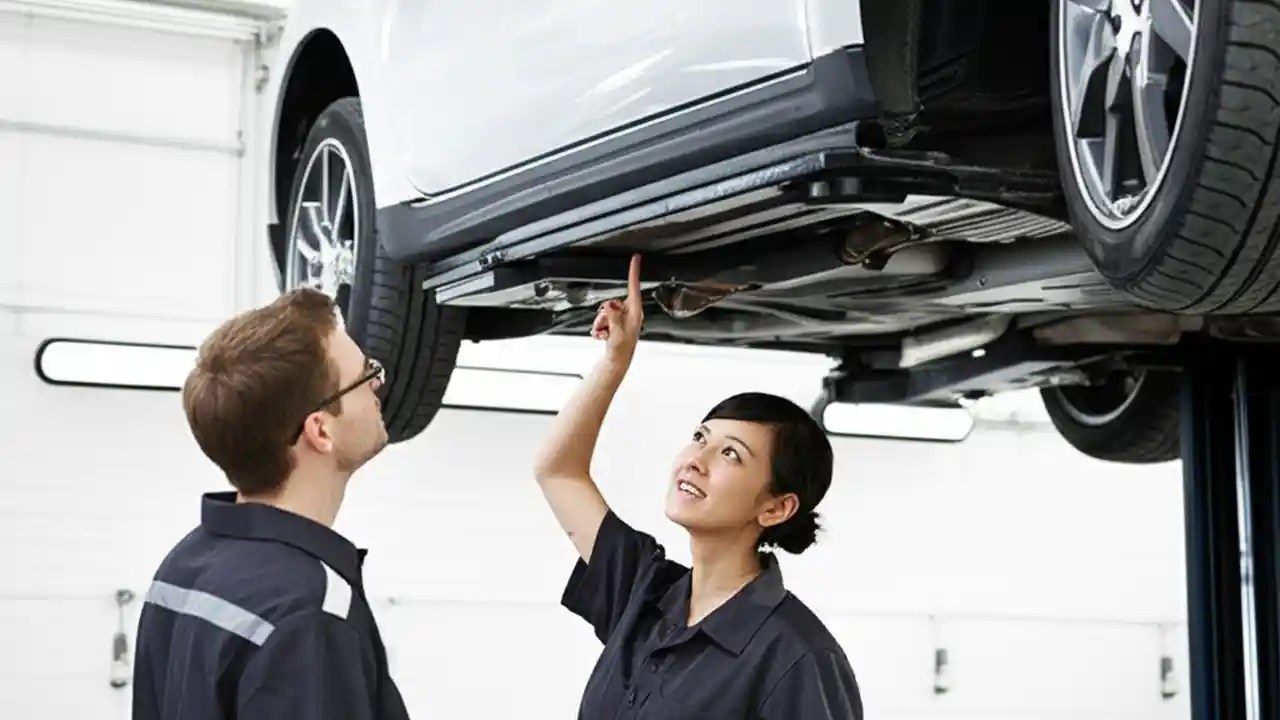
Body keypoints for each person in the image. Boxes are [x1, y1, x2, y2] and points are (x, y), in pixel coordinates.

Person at [534, 255, 863, 718]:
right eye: (699, 438)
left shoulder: (797, 657)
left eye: (731, 454)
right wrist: (616, 360)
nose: (696, 460)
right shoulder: (644, 594)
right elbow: (558, 471)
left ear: (776, 508)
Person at [131, 288, 409, 720]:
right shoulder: (311, 614)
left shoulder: (183, 565)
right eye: (364, 374)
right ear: (320, 431)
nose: (377, 382)